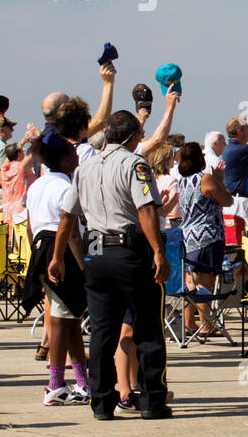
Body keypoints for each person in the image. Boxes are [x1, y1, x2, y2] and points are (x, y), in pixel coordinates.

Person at [50, 110, 170, 420]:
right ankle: (151, 399)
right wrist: (158, 251)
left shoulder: (84, 167)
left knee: (103, 330)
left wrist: (57, 256)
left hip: (95, 251)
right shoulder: (134, 164)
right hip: (129, 251)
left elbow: (67, 216)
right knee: (146, 326)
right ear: (132, 138)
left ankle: (101, 401)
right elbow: (145, 209)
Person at [22, 133, 89, 405]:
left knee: (71, 318)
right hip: (61, 253)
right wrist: (83, 267)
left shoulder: (37, 185)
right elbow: (70, 229)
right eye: (73, 154)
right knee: (61, 322)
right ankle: (55, 385)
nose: (77, 157)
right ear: (63, 159)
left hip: (41, 248)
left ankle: (83, 382)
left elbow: (29, 226)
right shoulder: (65, 186)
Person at [176, 142, 232, 339]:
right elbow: (227, 200)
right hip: (207, 235)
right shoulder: (205, 179)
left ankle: (189, 324)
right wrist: (220, 180)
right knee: (206, 283)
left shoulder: (182, 181)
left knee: (190, 282)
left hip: (187, 234)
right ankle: (206, 324)